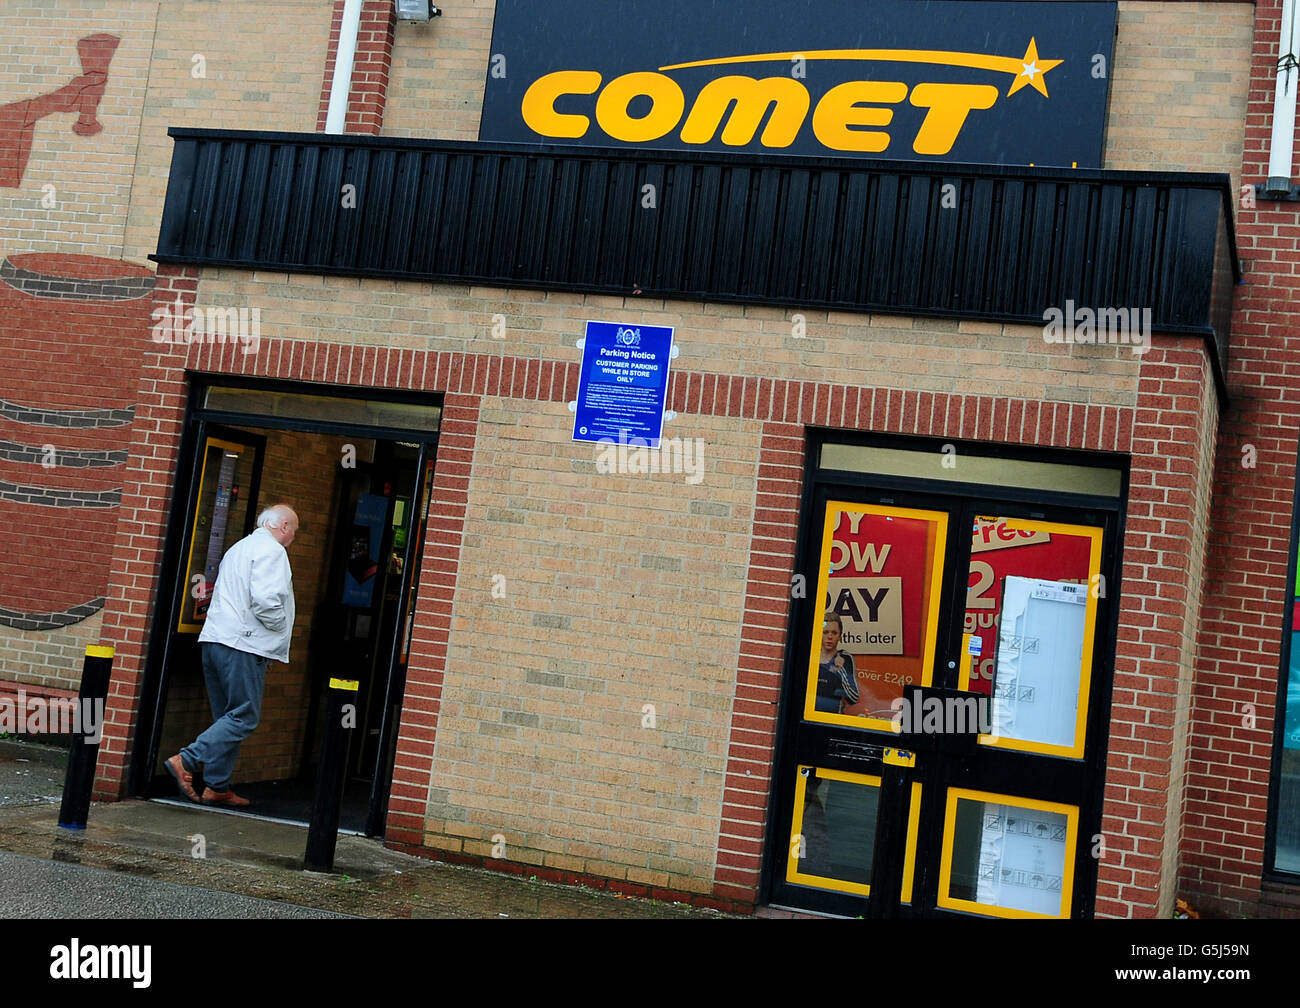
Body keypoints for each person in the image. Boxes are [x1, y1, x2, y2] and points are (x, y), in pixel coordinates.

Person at [165, 503, 298, 807]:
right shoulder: (273, 552)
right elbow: (266, 601)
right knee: (244, 716)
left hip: (215, 641)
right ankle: (186, 760)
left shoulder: (238, 548)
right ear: (284, 527)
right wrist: (277, 631)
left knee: (228, 716)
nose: (293, 537)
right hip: (243, 645)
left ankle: (217, 786)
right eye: (295, 530)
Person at [814, 612, 860, 715]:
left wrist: (840, 670)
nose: (830, 637)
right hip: (808, 717)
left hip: (832, 719)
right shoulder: (811, 656)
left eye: (834, 633)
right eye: (825, 632)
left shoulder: (845, 658)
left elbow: (854, 697)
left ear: (840, 636)